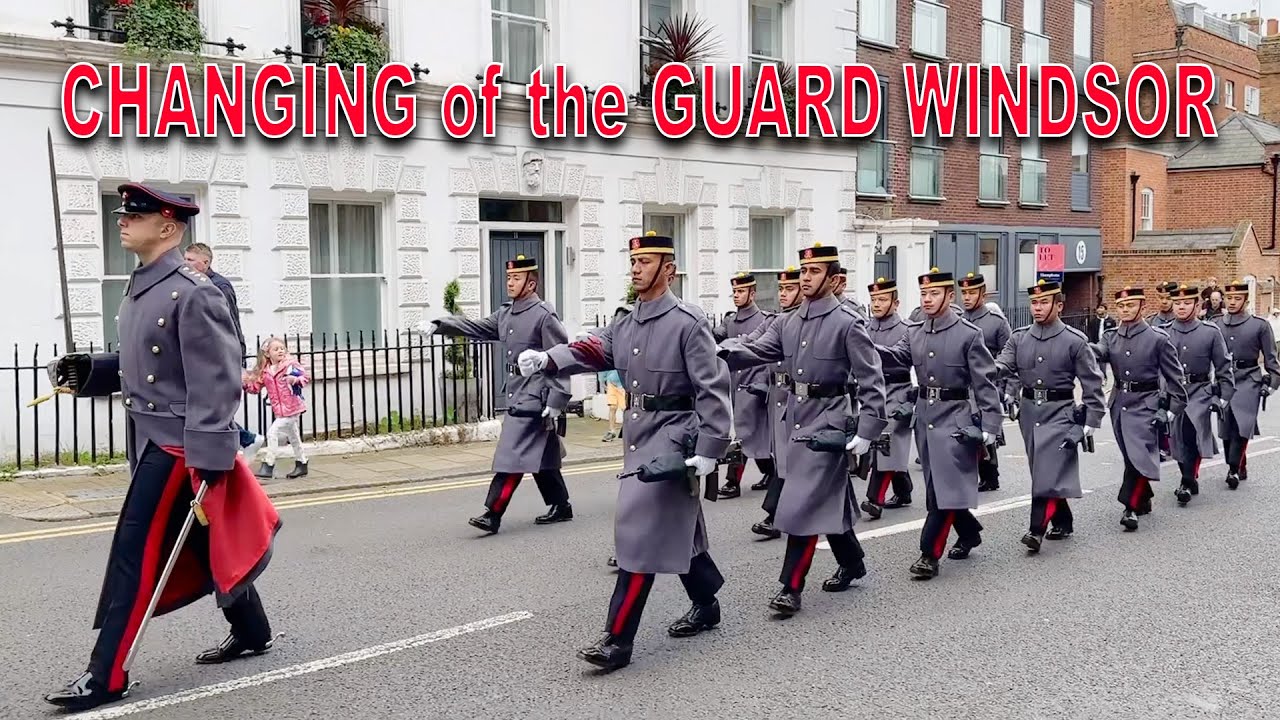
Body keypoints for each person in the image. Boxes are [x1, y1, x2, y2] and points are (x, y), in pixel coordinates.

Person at [43, 184, 279, 711]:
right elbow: (151, 368)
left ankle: (107, 674)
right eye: (123, 213)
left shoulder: (194, 291)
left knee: (134, 552)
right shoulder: (142, 285)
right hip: (148, 436)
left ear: (169, 226)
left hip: (175, 447)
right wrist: (94, 371)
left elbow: (216, 381)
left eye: (136, 214)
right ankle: (253, 629)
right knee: (196, 539)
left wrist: (211, 461)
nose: (122, 220)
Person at [518, 231, 732, 671]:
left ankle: (617, 640)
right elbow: (595, 348)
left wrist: (712, 448)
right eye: (633, 261)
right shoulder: (627, 321)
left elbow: (713, 389)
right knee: (673, 528)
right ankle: (707, 600)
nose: (636, 268)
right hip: (639, 437)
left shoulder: (688, 323)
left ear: (668, 269)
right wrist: (550, 358)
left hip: (674, 440)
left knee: (638, 536)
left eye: (646, 261)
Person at [718, 242, 887, 614]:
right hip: (792, 422)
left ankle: (790, 587)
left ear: (834, 278)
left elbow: (871, 379)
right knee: (822, 499)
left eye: (814, 272)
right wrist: (720, 351)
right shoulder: (788, 322)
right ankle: (851, 561)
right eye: (804, 271)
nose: (806, 278)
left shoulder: (847, 323)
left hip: (827, 423)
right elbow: (757, 349)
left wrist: (867, 430)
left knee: (802, 504)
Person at [425, 254, 574, 533]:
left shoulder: (544, 315)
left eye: (516, 278)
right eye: (508, 277)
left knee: (512, 454)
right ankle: (561, 505)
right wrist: (441, 325)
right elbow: (477, 327)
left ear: (531, 283)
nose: (510, 282)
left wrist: (557, 401)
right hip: (516, 391)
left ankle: (493, 513)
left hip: (536, 396)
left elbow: (560, 358)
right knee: (541, 455)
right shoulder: (506, 312)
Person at [874, 268, 1002, 580]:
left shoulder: (969, 335)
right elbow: (896, 357)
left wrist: (990, 427)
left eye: (934, 294)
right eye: (924, 294)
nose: (928, 299)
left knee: (943, 490)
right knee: (939, 485)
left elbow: (985, 383)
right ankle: (969, 532)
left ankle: (929, 554)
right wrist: (864, 346)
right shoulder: (915, 331)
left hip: (956, 418)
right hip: (926, 418)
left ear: (949, 295)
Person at [993, 280, 1106, 552]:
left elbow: (1092, 384)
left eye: (1044, 302)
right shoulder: (1019, 337)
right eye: (1034, 303)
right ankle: (1063, 520)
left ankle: (1036, 530)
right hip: (1030, 412)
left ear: (1059, 305)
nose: (1038, 308)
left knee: (1048, 471)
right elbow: (1000, 366)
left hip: (1061, 412)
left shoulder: (1074, 341)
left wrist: (1090, 422)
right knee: (1043, 471)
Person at [1088, 286, 1188, 531]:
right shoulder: (1111, 336)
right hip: (1120, 402)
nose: (1125, 310)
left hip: (1147, 402)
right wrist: (1079, 345)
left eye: (1130, 305)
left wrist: (1172, 409)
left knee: (1138, 454)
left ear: (1142, 307)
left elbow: (1175, 379)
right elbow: (1100, 352)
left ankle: (1129, 507)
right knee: (1130, 454)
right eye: (1121, 306)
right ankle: (1143, 498)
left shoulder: (1157, 338)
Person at [184, 242, 264, 457]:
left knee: (212, 407)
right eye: (185, 258)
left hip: (221, 354)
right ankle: (241, 442)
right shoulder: (193, 284)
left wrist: (236, 360)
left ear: (205, 262)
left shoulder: (220, 286)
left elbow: (230, 324)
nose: (186, 263)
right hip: (202, 355)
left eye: (191, 260)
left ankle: (244, 441)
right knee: (201, 406)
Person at [743, 266, 804, 540]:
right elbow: (751, 344)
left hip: (802, 401)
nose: (783, 294)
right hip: (777, 398)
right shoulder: (775, 321)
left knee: (796, 466)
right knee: (784, 462)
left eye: (789, 288)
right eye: (780, 289)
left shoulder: (809, 321)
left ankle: (774, 515)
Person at [1165, 284, 1234, 503]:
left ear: (1197, 305)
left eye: (1186, 303)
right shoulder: (1164, 332)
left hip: (1200, 391)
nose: (1181, 307)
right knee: (1176, 437)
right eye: (1177, 303)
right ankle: (1188, 476)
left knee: (1190, 432)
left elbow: (1223, 365)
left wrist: (1223, 395)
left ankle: (1186, 480)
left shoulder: (1210, 332)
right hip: (1173, 390)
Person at [711, 272, 776, 498]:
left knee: (743, 435)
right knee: (752, 437)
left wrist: (763, 384)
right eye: (735, 292)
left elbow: (768, 355)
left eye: (741, 291)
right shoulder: (729, 321)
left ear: (753, 293)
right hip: (733, 385)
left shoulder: (766, 320)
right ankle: (772, 472)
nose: (737, 296)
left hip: (753, 384)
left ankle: (732, 481)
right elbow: (716, 338)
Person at [1212, 280, 1280, 488]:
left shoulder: (1260, 325)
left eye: (1237, 298)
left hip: (1249, 378)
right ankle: (1239, 465)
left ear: (1246, 300)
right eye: (1229, 298)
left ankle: (1233, 468)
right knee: (1226, 427)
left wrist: (1272, 383)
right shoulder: (1216, 324)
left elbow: (1272, 359)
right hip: (1225, 378)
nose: (1232, 302)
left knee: (1243, 424)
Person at [861, 277, 916, 519]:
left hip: (899, 390)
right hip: (874, 392)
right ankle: (904, 490)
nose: (877, 304)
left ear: (896, 303)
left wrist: (912, 401)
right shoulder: (864, 328)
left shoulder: (908, 329)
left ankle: (875, 499)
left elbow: (918, 367)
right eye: (873, 299)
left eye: (882, 299)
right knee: (882, 446)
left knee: (888, 442)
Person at [958, 272, 1012, 492]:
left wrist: (1006, 388)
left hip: (985, 384)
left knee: (983, 429)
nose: (967, 297)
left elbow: (1009, 355)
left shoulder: (996, 323)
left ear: (983, 293)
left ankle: (990, 474)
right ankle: (972, 473)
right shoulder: (957, 320)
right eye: (964, 293)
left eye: (972, 292)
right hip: (961, 385)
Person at [243, 337, 312, 480]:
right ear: (267, 354)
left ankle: (268, 465)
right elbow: (255, 387)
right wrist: (244, 383)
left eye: (282, 348)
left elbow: (305, 377)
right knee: (294, 437)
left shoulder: (290, 365)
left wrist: (295, 380)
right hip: (280, 410)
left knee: (272, 433)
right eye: (276, 349)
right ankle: (302, 463)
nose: (280, 351)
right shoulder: (267, 371)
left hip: (292, 408)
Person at [600, 368, 624, 441]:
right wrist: (601, 381)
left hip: (623, 384)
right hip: (611, 383)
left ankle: (628, 430)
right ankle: (611, 431)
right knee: (612, 407)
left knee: (625, 408)